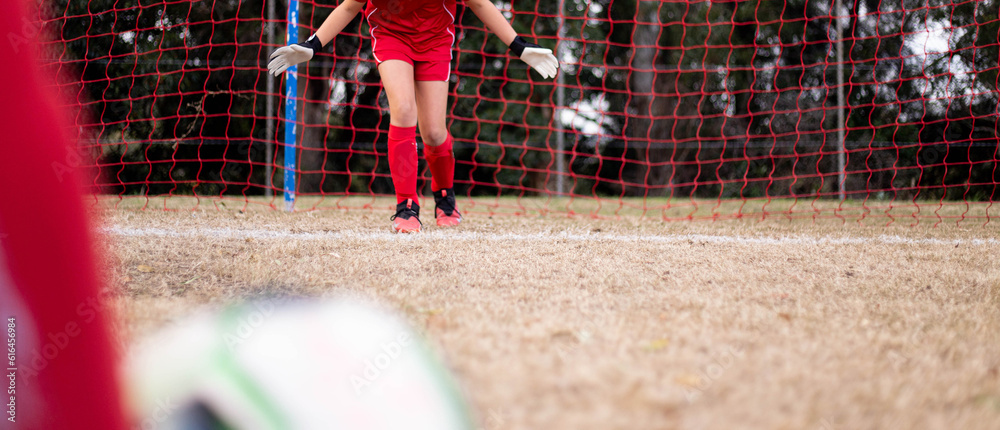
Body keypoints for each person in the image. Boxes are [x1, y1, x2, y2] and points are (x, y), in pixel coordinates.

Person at [268, 0, 558, 233]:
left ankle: (444, 196)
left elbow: (480, 4)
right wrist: (312, 45)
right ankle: (407, 207)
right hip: (391, 36)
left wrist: (520, 47)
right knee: (404, 109)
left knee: (433, 132)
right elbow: (349, 6)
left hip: (435, 41)